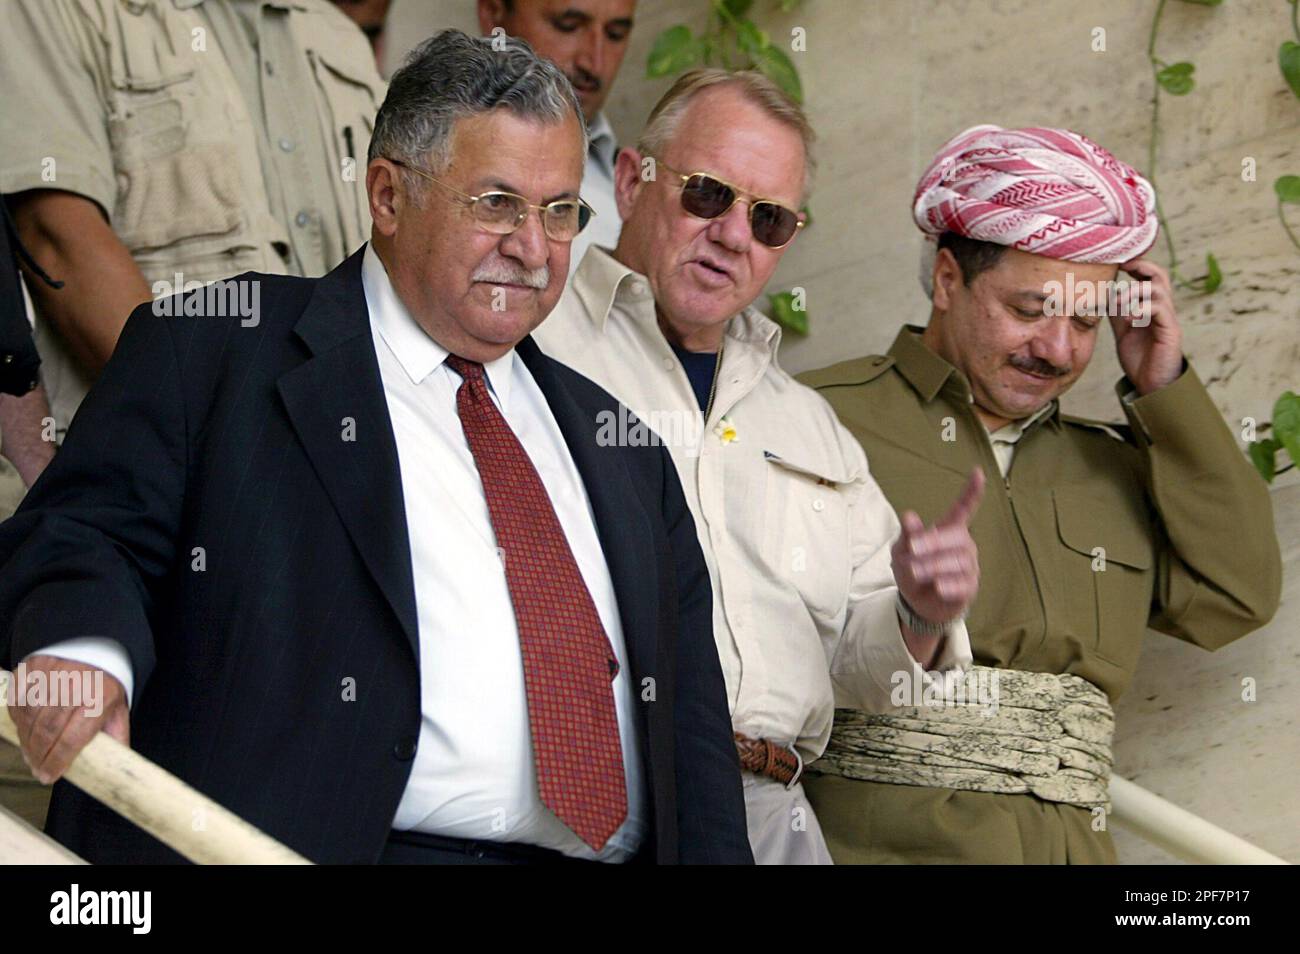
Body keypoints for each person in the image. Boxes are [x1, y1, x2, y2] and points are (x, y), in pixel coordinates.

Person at [0, 30, 751, 866]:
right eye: (496, 203)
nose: (534, 249)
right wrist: (79, 653)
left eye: (560, 212)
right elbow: (83, 533)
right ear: (388, 196)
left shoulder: (625, 452)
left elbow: (694, 742)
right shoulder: (216, 350)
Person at [798, 125, 1283, 864]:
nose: (1058, 350)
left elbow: (1238, 593)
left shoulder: (1113, 465)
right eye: (1030, 310)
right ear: (948, 280)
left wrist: (1164, 390)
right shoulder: (814, 416)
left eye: (1086, 321)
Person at [534, 69, 982, 863]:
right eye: (708, 194)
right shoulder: (527, 338)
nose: (735, 235)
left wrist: (918, 609)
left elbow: (865, 670)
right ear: (633, 181)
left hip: (773, 813)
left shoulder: (804, 420)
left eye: (770, 219)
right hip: (590, 791)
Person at [0, 0, 385, 444]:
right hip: (167, 474)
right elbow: (57, 239)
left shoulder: (337, 35)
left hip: (345, 468)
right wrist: (241, 449)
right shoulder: (54, 9)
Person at [478, 0, 636, 277]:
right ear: (494, 15)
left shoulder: (632, 194)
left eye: (615, 34)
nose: (593, 62)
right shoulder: (426, 158)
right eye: (568, 26)